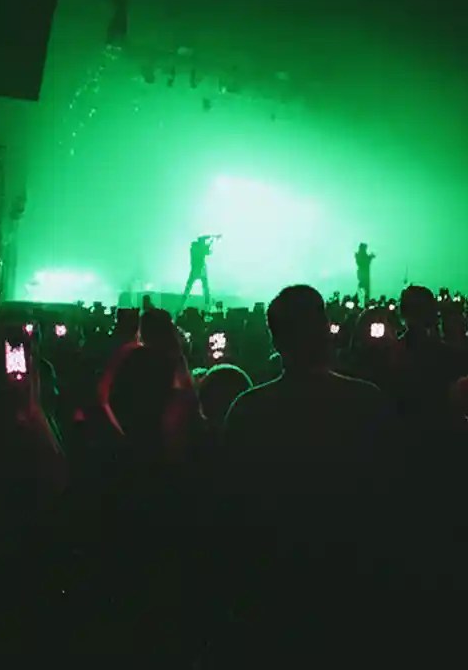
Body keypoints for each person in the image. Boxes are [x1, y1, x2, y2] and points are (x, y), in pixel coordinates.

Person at [211, 285, 398, 666]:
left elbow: (229, 508)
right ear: (326, 331)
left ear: (276, 339)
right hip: (353, 586)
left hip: (273, 590)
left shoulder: (247, 410)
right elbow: (392, 498)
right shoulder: (368, 401)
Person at [181, 235, 219, 310]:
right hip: (200, 269)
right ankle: (207, 302)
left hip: (195, 268)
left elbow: (206, 251)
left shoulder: (194, 247)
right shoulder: (198, 248)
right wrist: (211, 242)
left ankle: (183, 299)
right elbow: (208, 252)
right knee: (205, 286)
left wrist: (210, 241)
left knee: (190, 285)